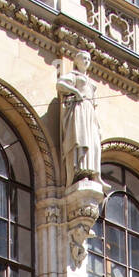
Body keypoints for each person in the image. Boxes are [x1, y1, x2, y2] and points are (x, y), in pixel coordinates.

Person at [57, 50, 101, 185]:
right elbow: (60, 84)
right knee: (82, 140)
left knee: (95, 143)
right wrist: (75, 91)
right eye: (83, 58)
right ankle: (81, 172)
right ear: (76, 61)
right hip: (80, 109)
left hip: (90, 112)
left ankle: (94, 173)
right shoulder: (74, 76)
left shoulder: (90, 81)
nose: (87, 61)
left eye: (88, 59)